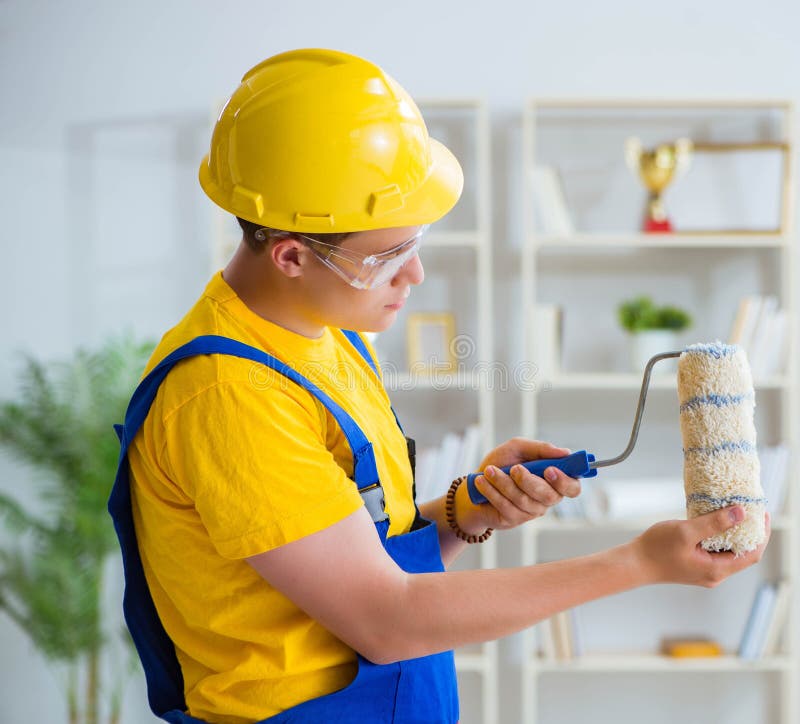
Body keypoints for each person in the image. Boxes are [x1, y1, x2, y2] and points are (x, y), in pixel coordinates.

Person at [108, 48, 770, 724]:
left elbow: (357, 550)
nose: (416, 275)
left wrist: (466, 510)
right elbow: (386, 618)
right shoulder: (229, 395)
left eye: (417, 241)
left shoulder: (327, 333)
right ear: (291, 256)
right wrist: (638, 562)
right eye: (388, 255)